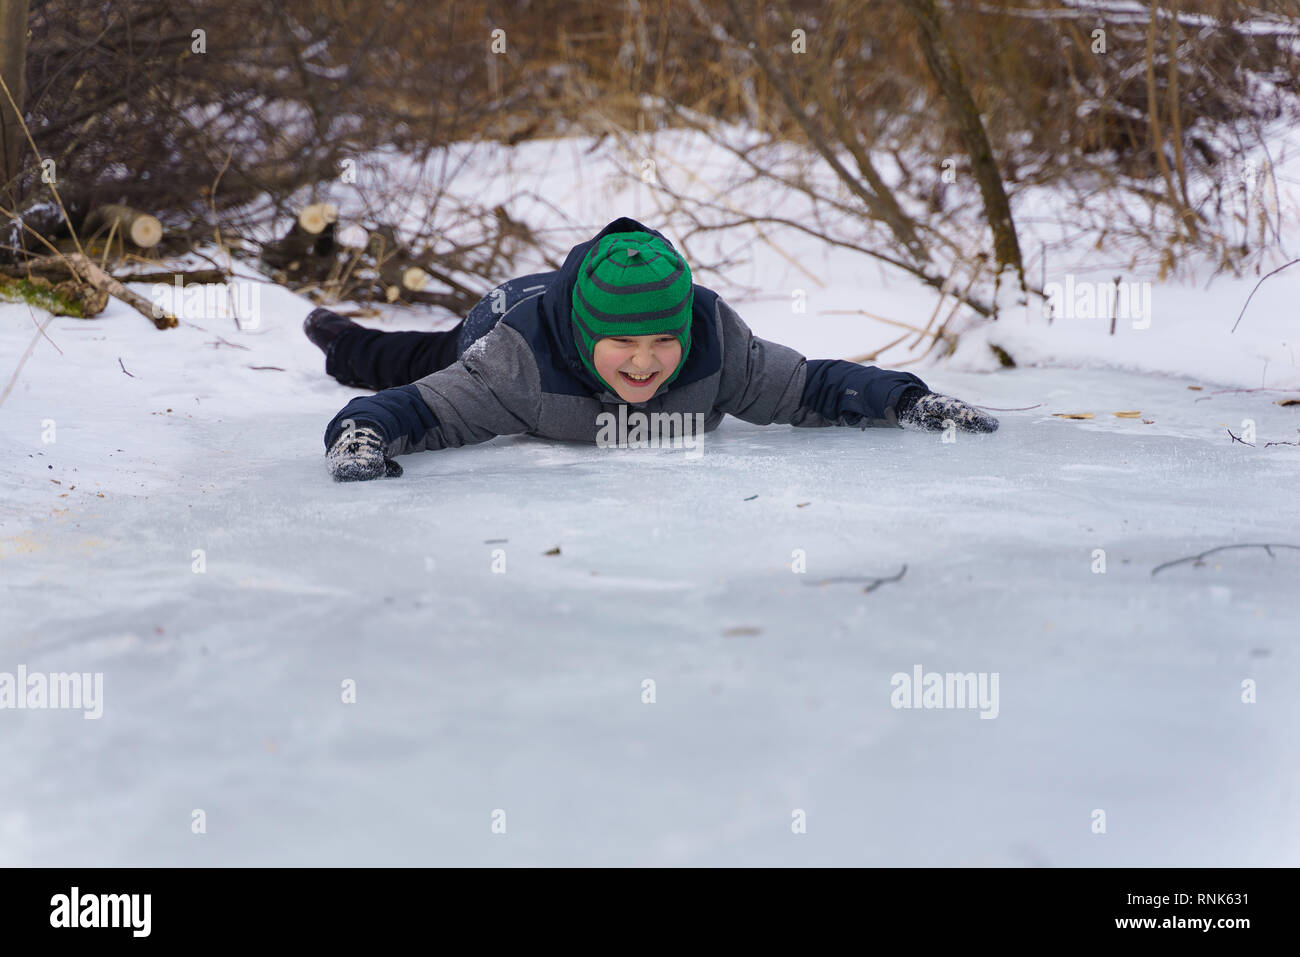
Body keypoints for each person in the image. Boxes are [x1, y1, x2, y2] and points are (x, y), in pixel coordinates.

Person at [307, 216, 997, 481]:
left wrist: (908, 399)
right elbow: (412, 409)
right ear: (588, 336)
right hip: (512, 309)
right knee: (411, 357)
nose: (645, 362)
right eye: (623, 344)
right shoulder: (516, 367)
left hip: (573, 297)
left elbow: (810, 385)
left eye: (664, 340)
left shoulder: (720, 348)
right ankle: (336, 334)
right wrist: (361, 433)